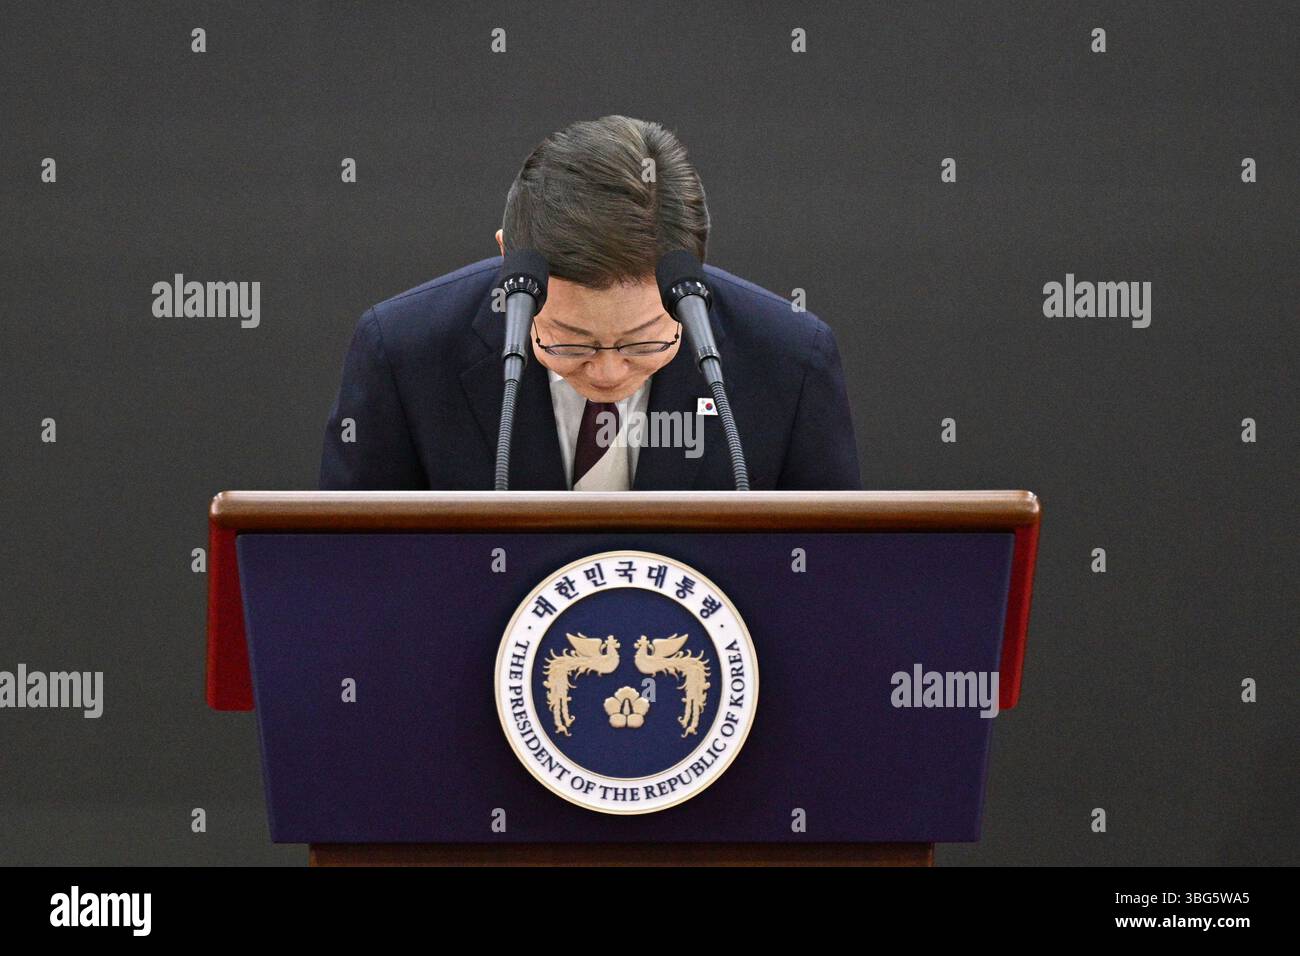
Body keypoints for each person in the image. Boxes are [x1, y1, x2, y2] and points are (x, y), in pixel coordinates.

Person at [319, 115, 861, 491]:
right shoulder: (404, 351)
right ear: (511, 263)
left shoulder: (791, 358)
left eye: (644, 340)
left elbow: (831, 577)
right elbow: (352, 567)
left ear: (687, 278)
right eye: (571, 341)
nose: (606, 371)